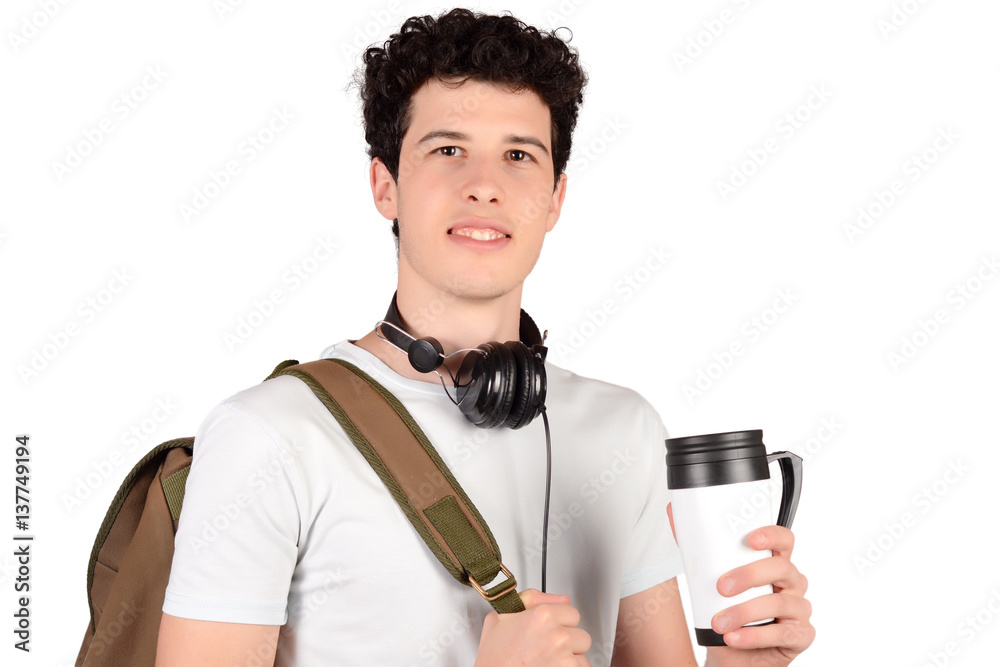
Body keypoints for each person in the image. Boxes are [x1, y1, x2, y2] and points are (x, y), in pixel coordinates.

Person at [156, 8, 814, 666]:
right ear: (385, 186)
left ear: (554, 199)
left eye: (518, 156)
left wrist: (743, 660)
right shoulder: (268, 436)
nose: (485, 187)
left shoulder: (623, 429)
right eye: (448, 150)